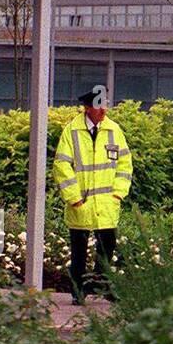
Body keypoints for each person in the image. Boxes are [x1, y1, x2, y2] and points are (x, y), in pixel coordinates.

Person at [53, 86, 132, 305]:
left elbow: (125, 164)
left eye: (105, 104)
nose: (104, 109)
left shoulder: (114, 130)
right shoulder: (71, 131)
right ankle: (78, 291)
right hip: (81, 203)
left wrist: (118, 194)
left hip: (107, 204)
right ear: (88, 108)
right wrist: (74, 197)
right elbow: (61, 165)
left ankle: (103, 286)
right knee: (78, 252)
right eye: (99, 105)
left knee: (106, 249)